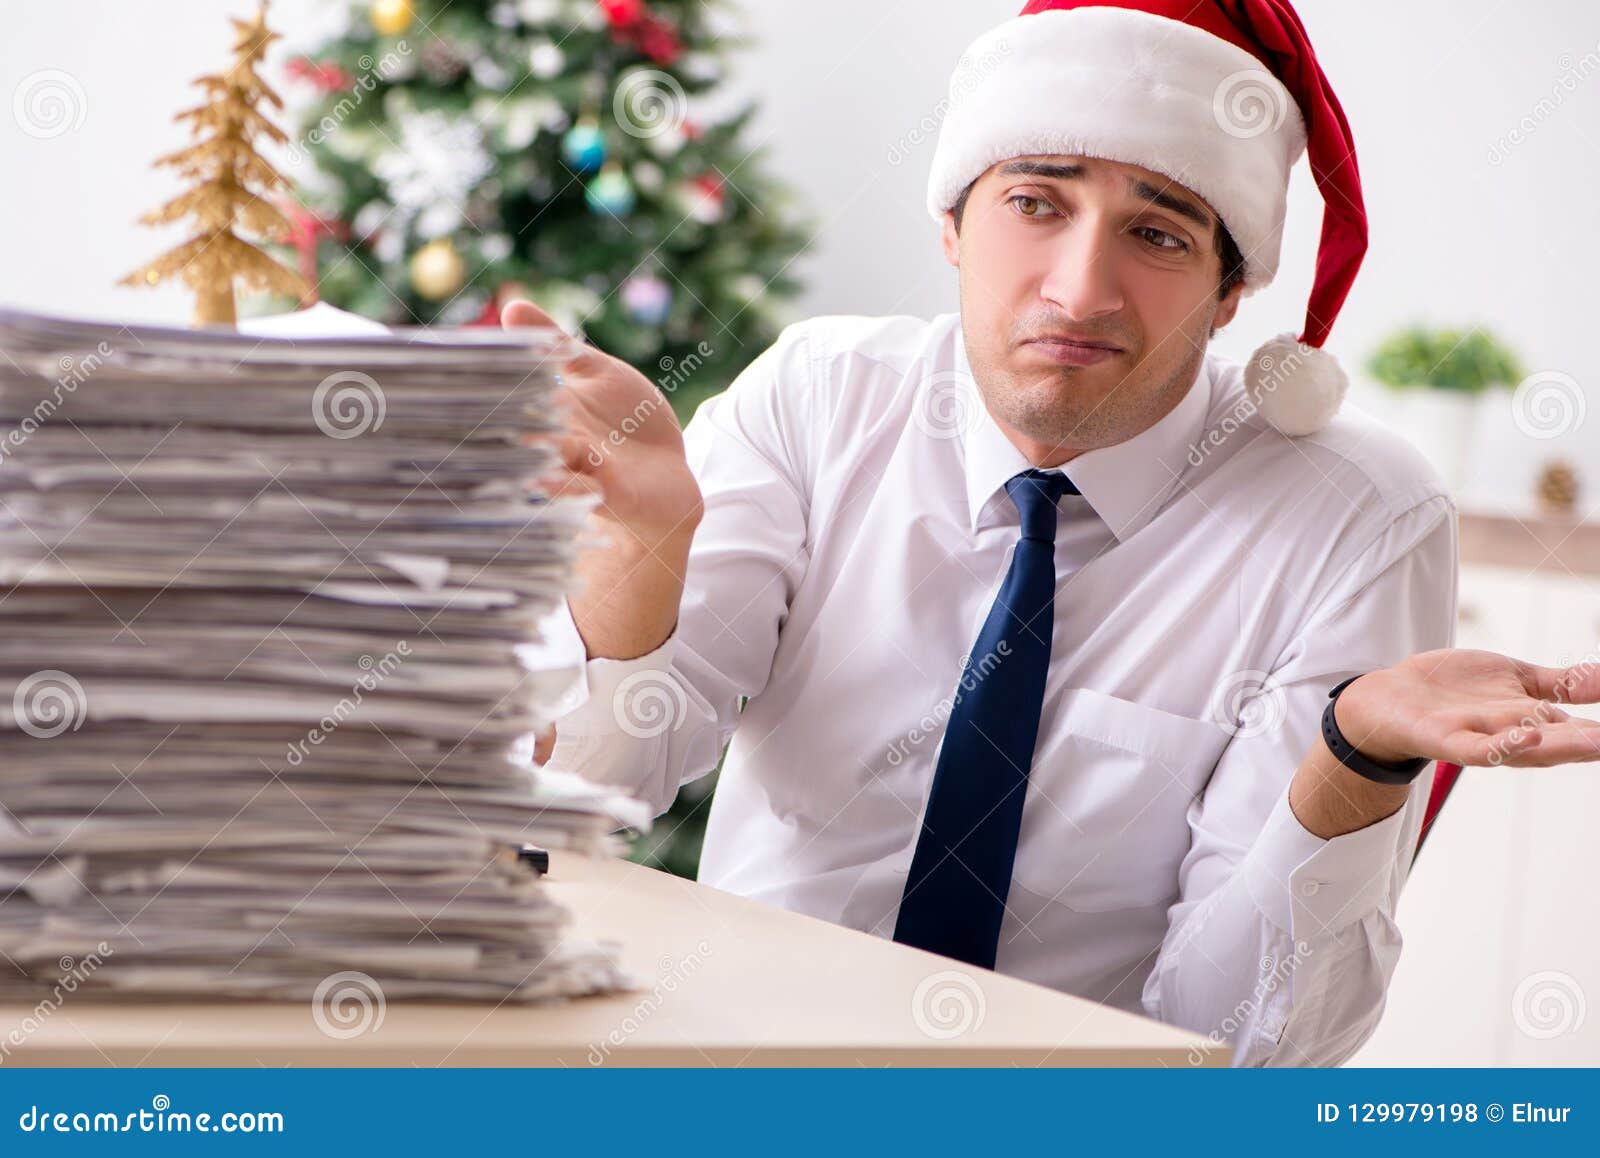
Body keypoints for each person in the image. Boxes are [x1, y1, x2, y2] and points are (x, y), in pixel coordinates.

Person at [516, 0, 1600, 1065]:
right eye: (1035, 202)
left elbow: (1247, 1049)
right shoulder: (819, 398)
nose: (1080, 291)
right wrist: (636, 554)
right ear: (949, 222)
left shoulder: (1355, 515)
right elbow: (575, 803)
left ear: (1230, 295)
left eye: (1157, 232)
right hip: (746, 1083)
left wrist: (1348, 761)